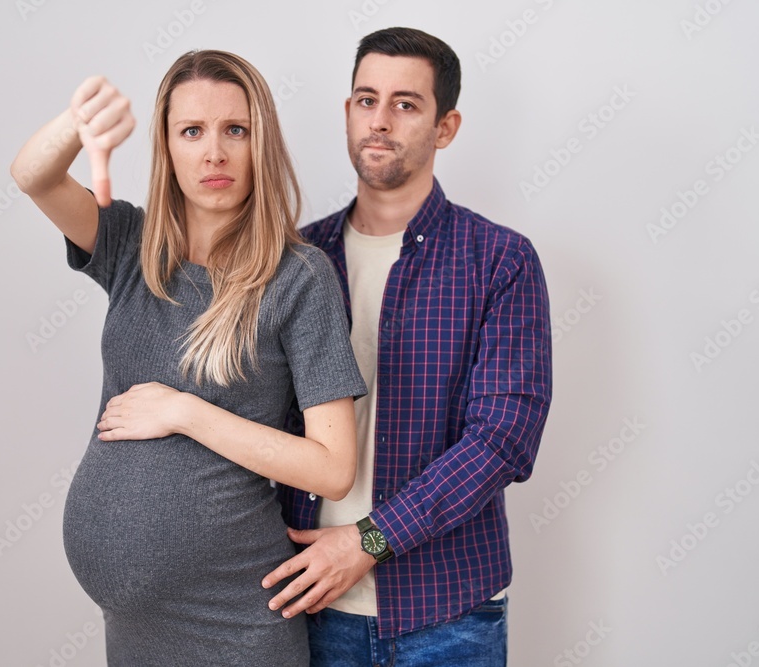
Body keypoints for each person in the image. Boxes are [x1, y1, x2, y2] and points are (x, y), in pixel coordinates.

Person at [10, 50, 366, 666]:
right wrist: (80, 118)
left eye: (236, 130)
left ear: (263, 145)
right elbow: (32, 175)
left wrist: (185, 412)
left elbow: (333, 468)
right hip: (133, 630)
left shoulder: (299, 278)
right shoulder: (129, 245)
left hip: (234, 622)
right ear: (167, 148)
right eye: (191, 131)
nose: (214, 153)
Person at [263, 27, 553, 666]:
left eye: (406, 104)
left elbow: (503, 439)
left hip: (449, 613)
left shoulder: (500, 260)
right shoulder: (295, 261)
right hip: (306, 606)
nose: (381, 121)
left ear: (445, 127)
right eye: (367, 100)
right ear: (347, 112)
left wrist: (366, 541)